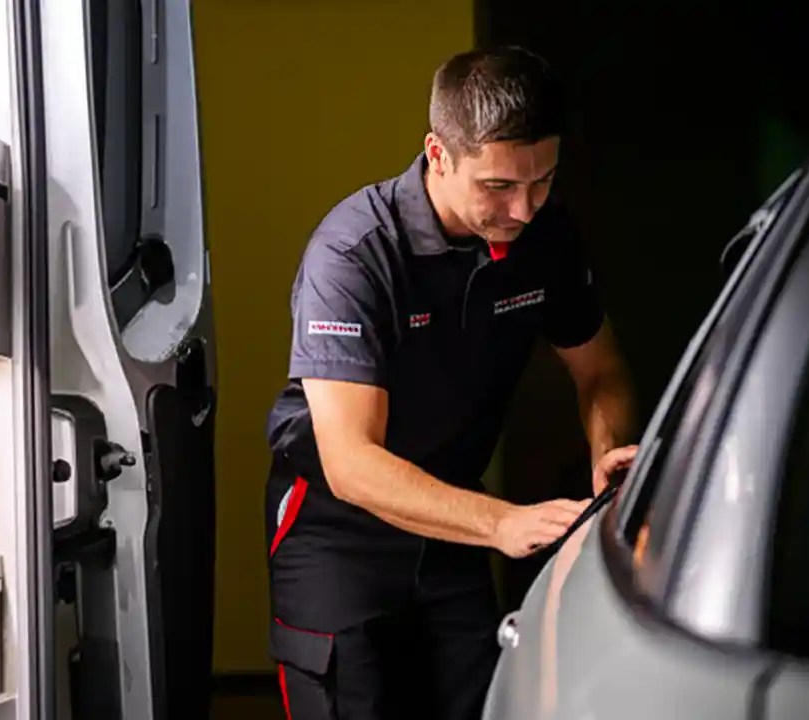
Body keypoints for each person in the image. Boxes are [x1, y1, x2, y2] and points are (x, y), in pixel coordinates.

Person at [263, 45, 638, 719]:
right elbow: (351, 464)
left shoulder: (546, 236)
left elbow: (600, 370)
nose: (523, 209)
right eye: (498, 187)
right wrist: (504, 522)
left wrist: (607, 459)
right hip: (340, 534)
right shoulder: (352, 255)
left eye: (543, 180)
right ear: (438, 154)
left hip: (457, 527)